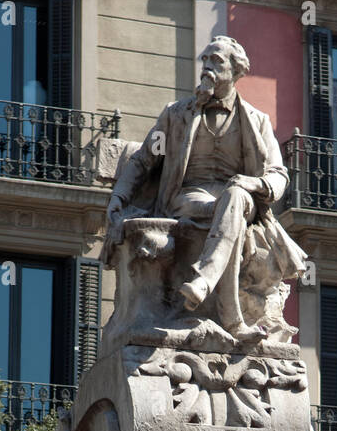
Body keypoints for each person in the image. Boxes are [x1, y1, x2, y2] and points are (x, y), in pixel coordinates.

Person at [105, 35, 304, 342]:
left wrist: (256, 183)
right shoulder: (176, 114)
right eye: (205, 60)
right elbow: (144, 160)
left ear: (236, 71)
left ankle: (204, 282)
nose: (207, 67)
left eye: (216, 61)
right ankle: (231, 317)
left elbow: (278, 174)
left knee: (235, 196)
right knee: (232, 205)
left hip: (240, 196)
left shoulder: (257, 120)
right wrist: (119, 197)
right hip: (190, 196)